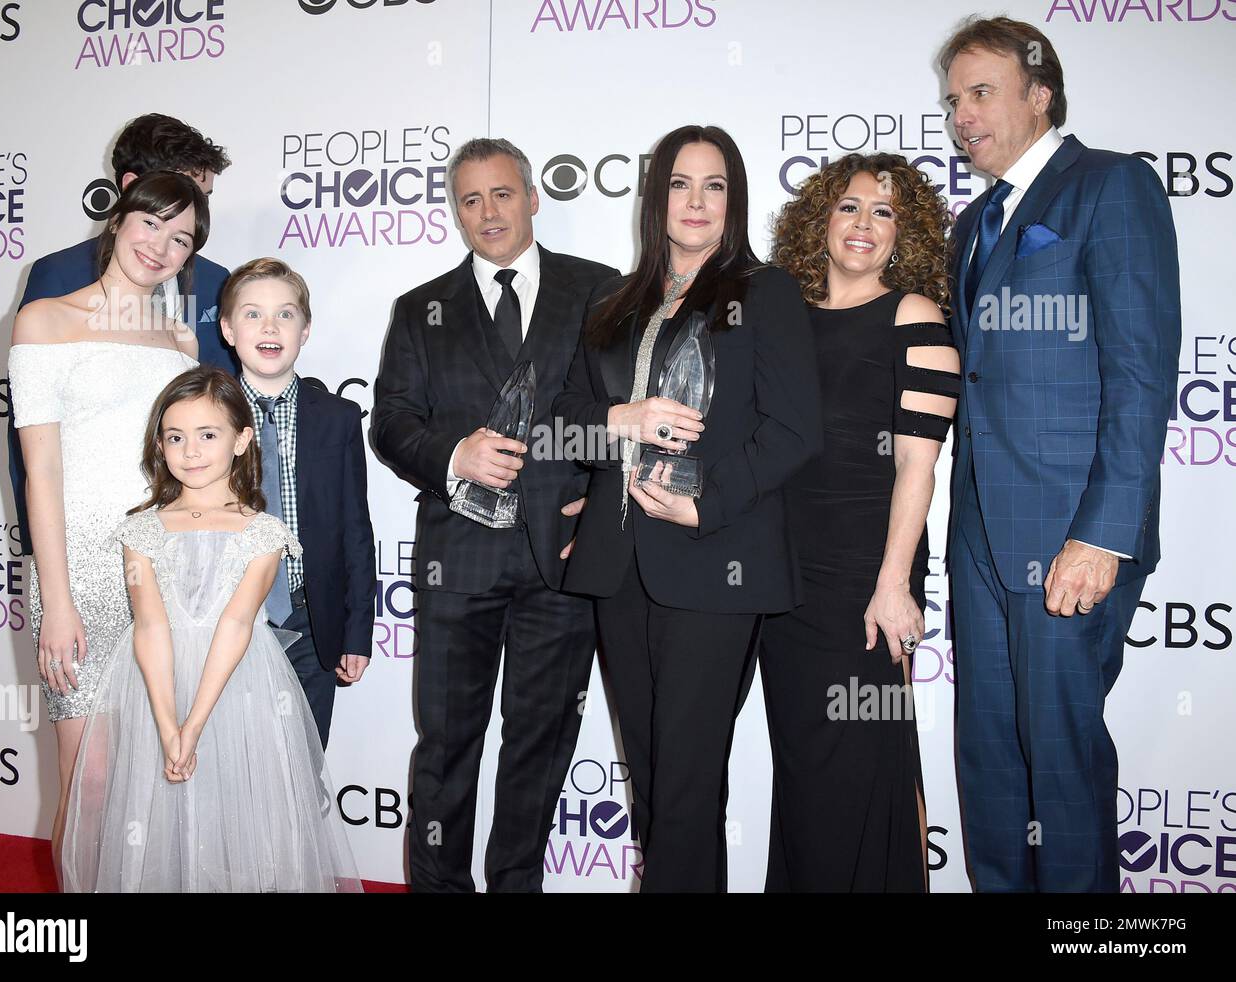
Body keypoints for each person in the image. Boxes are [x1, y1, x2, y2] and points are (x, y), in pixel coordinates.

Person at [940, 16, 1181, 892]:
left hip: (1069, 533)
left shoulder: (1112, 187)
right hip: (979, 536)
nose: (963, 116)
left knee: (1063, 765)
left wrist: (1104, 534)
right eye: (954, 99)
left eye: (981, 93)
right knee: (992, 763)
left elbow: (1141, 374)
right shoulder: (973, 225)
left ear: (1039, 95)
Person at [552, 125, 823, 892]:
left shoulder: (761, 292)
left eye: (714, 186)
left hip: (719, 563)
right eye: (679, 183)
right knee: (650, 780)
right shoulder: (614, 299)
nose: (696, 201)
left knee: (685, 784)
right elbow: (563, 418)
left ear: (733, 201)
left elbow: (793, 430)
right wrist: (623, 419)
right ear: (655, 196)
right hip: (618, 565)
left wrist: (703, 504)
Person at [371, 137, 618, 892]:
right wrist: (454, 457)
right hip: (460, 559)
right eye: (471, 199)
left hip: (564, 557)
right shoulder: (421, 309)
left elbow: (624, 410)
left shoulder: (601, 290)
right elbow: (390, 423)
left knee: (539, 746)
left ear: (533, 197)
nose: (488, 213)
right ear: (456, 208)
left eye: (502, 194)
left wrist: (602, 501)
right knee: (446, 747)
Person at [59, 367, 362, 893]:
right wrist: (167, 722)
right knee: (156, 819)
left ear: (241, 440)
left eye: (208, 435)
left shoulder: (264, 531)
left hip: (239, 686)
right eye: (176, 437)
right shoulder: (140, 530)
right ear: (159, 445)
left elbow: (236, 623)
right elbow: (150, 626)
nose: (191, 450)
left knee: (244, 813)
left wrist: (193, 723)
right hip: (157, 685)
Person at [763, 153, 959, 892]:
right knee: (806, 771)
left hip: (863, 579)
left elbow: (918, 464)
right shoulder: (784, 317)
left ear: (903, 235)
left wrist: (893, 584)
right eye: (850, 206)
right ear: (821, 218)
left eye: (885, 212)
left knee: (861, 767)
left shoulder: (914, 316)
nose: (864, 225)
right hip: (783, 576)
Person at [8, 171, 206, 884]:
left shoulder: (182, 341)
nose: (161, 246)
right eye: (152, 223)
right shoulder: (46, 320)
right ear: (119, 218)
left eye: (180, 238)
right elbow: (44, 473)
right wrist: (55, 600)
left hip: (164, 571)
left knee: (149, 775)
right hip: (78, 569)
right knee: (88, 777)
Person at [9, 113, 234, 557]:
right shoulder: (59, 277)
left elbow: (225, 411)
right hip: (83, 536)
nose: (189, 207)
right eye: (169, 196)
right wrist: (44, 551)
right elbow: (35, 439)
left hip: (183, 535)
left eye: (201, 198)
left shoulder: (217, 280)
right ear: (131, 189)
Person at [219, 258, 376, 749]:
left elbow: (355, 528)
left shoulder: (338, 418)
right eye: (252, 314)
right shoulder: (202, 413)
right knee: (231, 773)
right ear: (226, 328)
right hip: (223, 622)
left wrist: (356, 631)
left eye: (285, 315)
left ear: (305, 330)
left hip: (311, 622)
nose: (269, 327)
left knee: (302, 773)